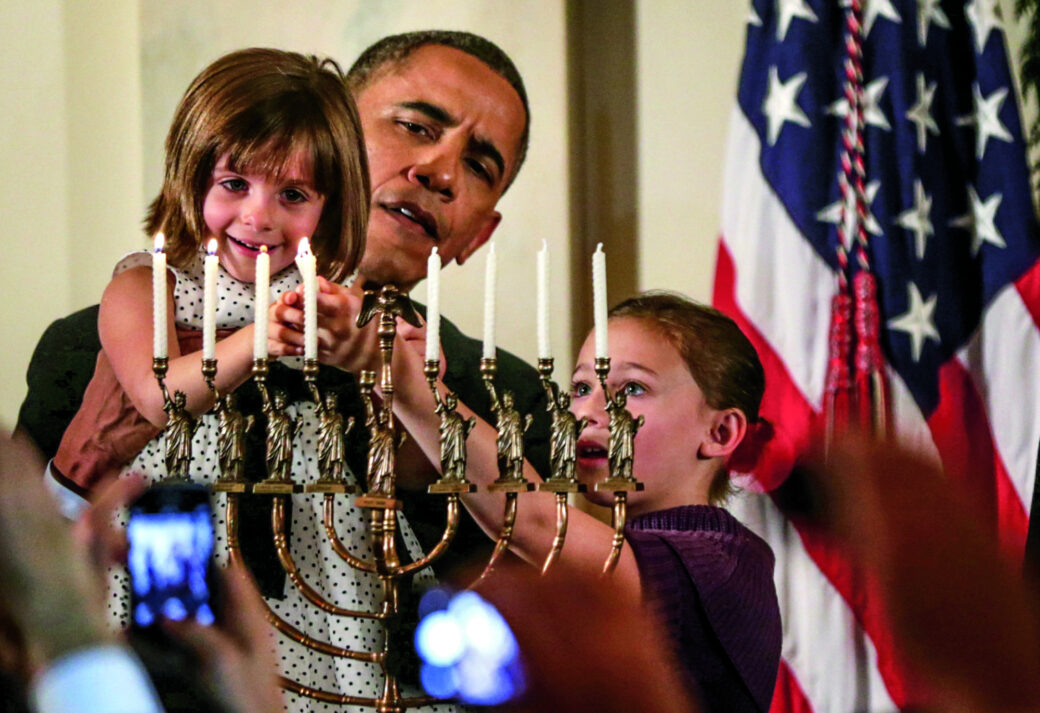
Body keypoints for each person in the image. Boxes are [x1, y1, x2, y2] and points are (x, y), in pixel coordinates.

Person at [19, 31, 550, 708]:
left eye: (478, 165)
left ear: (478, 234)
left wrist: (414, 390)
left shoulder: (501, 393)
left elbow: (548, 610)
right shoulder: (92, 341)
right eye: (415, 126)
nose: (438, 171)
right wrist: (72, 477)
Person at [389, 291, 783, 712]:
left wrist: (416, 389)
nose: (586, 413)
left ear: (720, 433)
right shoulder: (611, 555)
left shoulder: (723, 560)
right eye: (581, 387)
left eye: (632, 388)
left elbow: (534, 522)